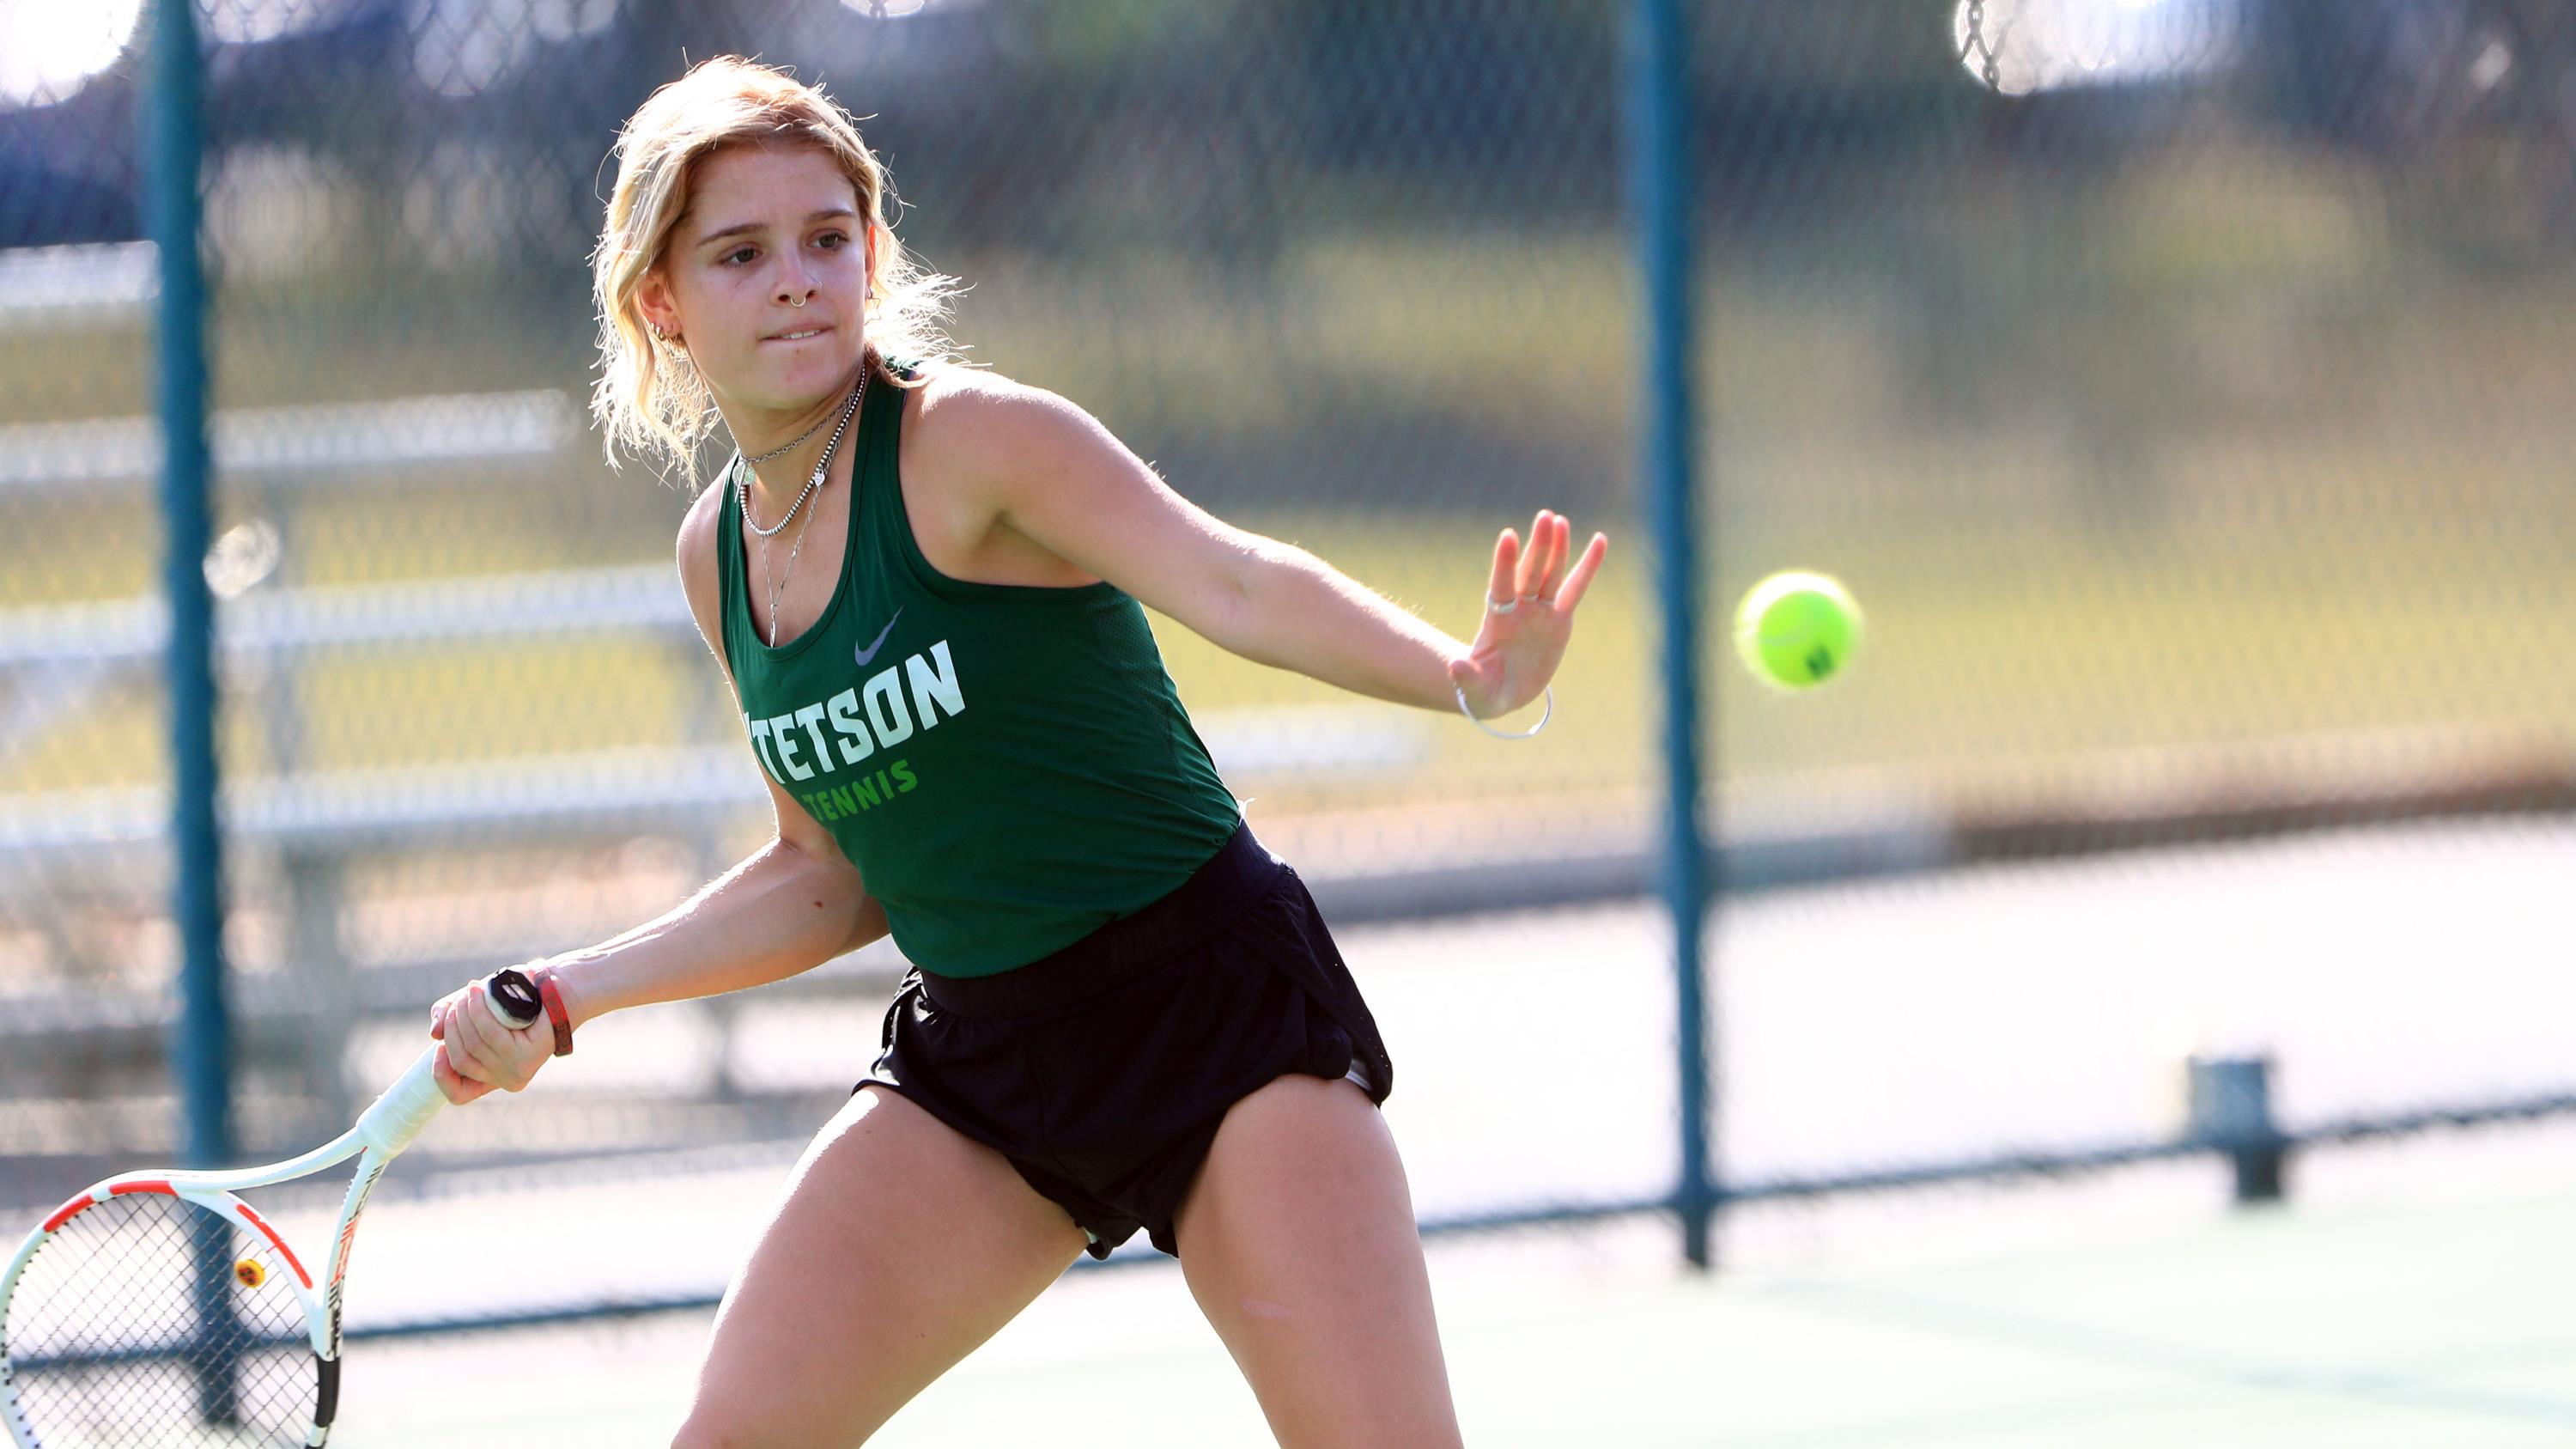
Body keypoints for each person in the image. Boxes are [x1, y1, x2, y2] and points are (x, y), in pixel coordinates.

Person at [425, 55, 1607, 1449]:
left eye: (826, 239)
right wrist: (568, 994)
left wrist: (1467, 678)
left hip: (1214, 1014)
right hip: (985, 1063)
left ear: (871, 255)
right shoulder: (717, 558)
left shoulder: (972, 442)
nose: (796, 280)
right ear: (661, 304)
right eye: (741, 254)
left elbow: (1232, 582)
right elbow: (830, 873)